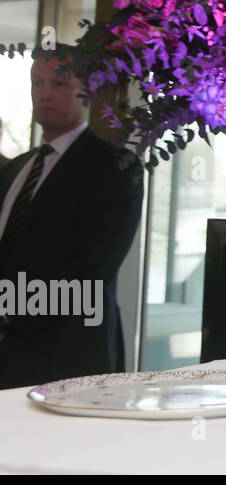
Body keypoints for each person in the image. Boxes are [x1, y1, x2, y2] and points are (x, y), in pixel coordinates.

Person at [0, 45, 144, 389]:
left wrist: (9, 320)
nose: (45, 93)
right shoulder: (16, 168)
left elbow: (92, 268)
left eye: (59, 83)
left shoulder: (115, 168)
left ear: (89, 91)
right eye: (37, 83)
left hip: (69, 355)